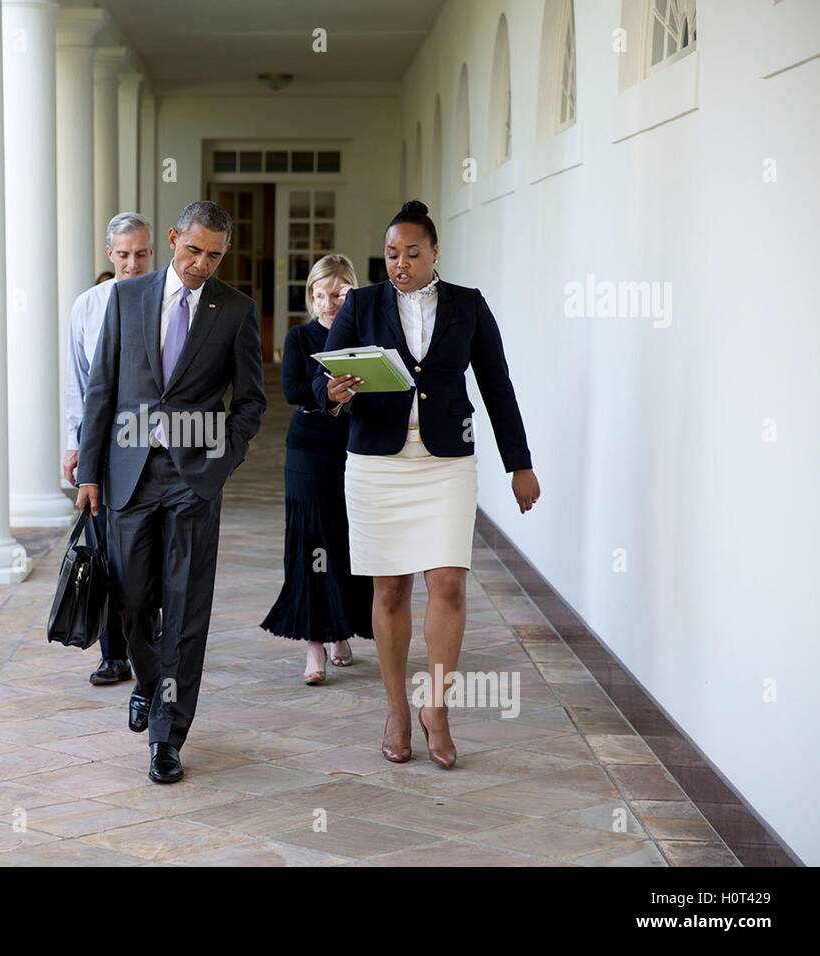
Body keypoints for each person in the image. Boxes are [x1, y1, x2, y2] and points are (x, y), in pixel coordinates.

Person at [316, 200, 541, 770]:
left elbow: (497, 384)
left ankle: (436, 709)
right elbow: (325, 379)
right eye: (391, 254)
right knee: (389, 589)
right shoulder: (361, 304)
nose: (400, 263)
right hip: (377, 463)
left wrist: (520, 463)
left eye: (412, 253)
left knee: (448, 583)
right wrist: (335, 394)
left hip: (445, 463)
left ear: (434, 252)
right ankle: (396, 708)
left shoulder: (468, 305)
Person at [76, 200, 266, 784]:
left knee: (185, 608)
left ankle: (167, 733)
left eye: (213, 255)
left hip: (192, 478)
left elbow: (251, 401)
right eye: (192, 250)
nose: (200, 264)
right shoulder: (127, 300)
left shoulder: (235, 311)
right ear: (172, 239)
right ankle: (151, 681)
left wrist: (220, 460)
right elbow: (102, 388)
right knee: (132, 599)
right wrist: (88, 473)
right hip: (128, 473)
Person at [261, 254, 373, 684]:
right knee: (311, 548)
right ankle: (314, 645)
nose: (330, 303)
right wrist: (325, 391)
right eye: (322, 294)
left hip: (355, 449)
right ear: (311, 296)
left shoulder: (365, 338)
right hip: (308, 454)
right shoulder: (299, 338)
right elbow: (290, 390)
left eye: (340, 294)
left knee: (347, 544)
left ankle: (340, 631)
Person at [63, 211, 154, 685]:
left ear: (152, 251)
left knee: (143, 553)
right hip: (100, 446)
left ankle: (148, 652)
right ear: (109, 254)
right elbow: (77, 383)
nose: (132, 263)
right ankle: (112, 654)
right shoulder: (88, 305)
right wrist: (75, 445)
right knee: (103, 552)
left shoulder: (164, 302)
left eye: (140, 254)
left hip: (148, 446)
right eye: (123, 255)